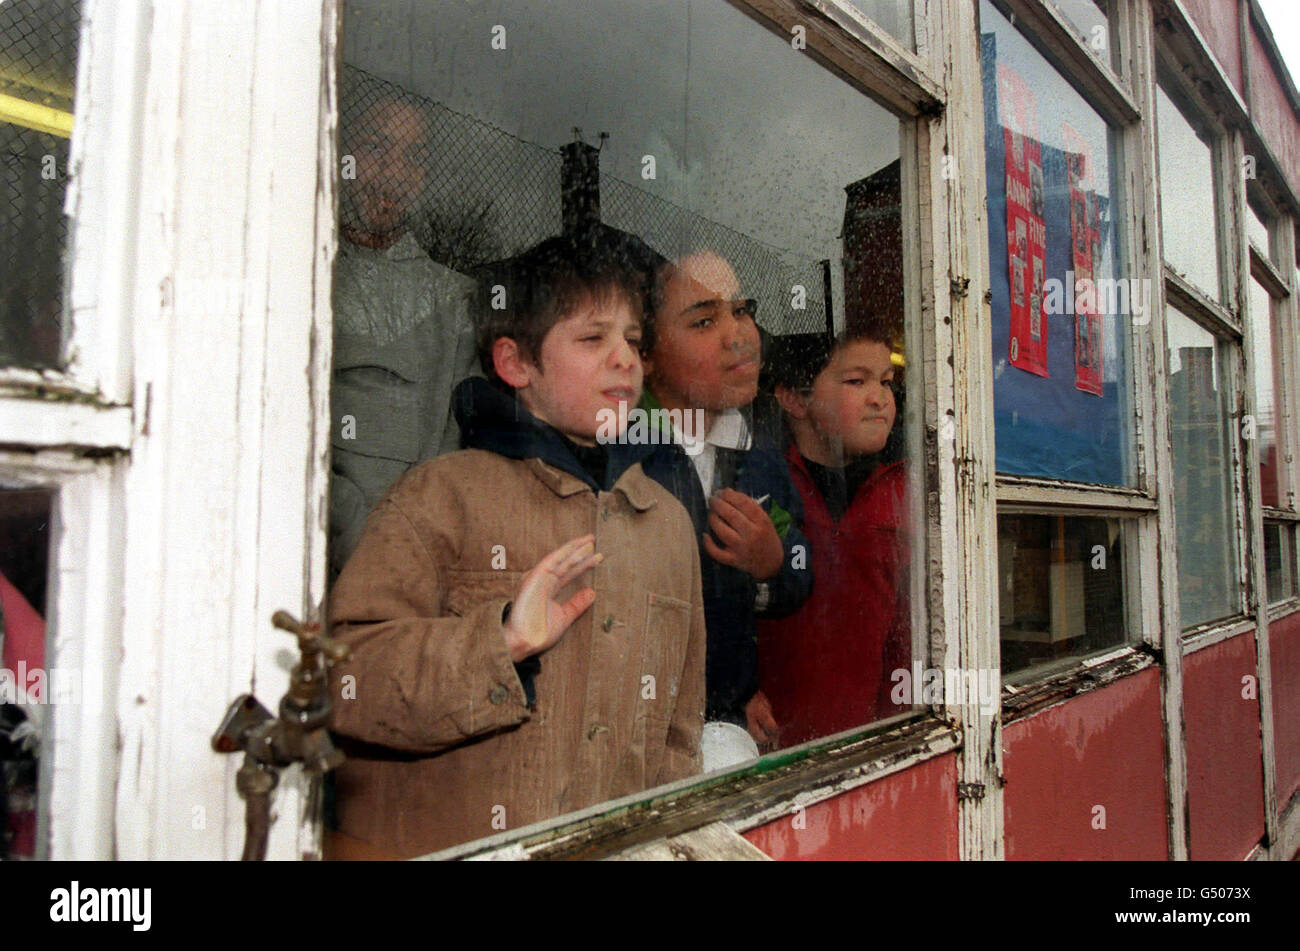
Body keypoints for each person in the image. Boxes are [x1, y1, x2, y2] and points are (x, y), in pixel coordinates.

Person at [327, 232, 706, 859]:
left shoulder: (665, 525)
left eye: (634, 342)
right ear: (515, 364)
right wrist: (500, 641)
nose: (626, 360)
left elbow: (677, 737)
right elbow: (343, 680)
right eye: (593, 338)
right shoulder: (439, 496)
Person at [638, 250, 812, 767]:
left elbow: (802, 564)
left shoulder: (757, 456)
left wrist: (773, 563)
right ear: (646, 356)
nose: (738, 334)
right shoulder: (620, 453)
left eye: (741, 310)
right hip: (636, 739)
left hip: (723, 735)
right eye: (705, 320)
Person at [329, 75, 479, 579]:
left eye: (414, 157)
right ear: (338, 150)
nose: (394, 173)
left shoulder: (454, 300)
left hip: (411, 575)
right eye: (375, 146)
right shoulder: (300, 272)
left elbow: (452, 463)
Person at [757, 331, 911, 747]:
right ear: (793, 399)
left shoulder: (907, 490)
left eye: (886, 382)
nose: (880, 398)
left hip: (880, 746)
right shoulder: (762, 488)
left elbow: (910, 629)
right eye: (856, 381)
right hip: (769, 754)